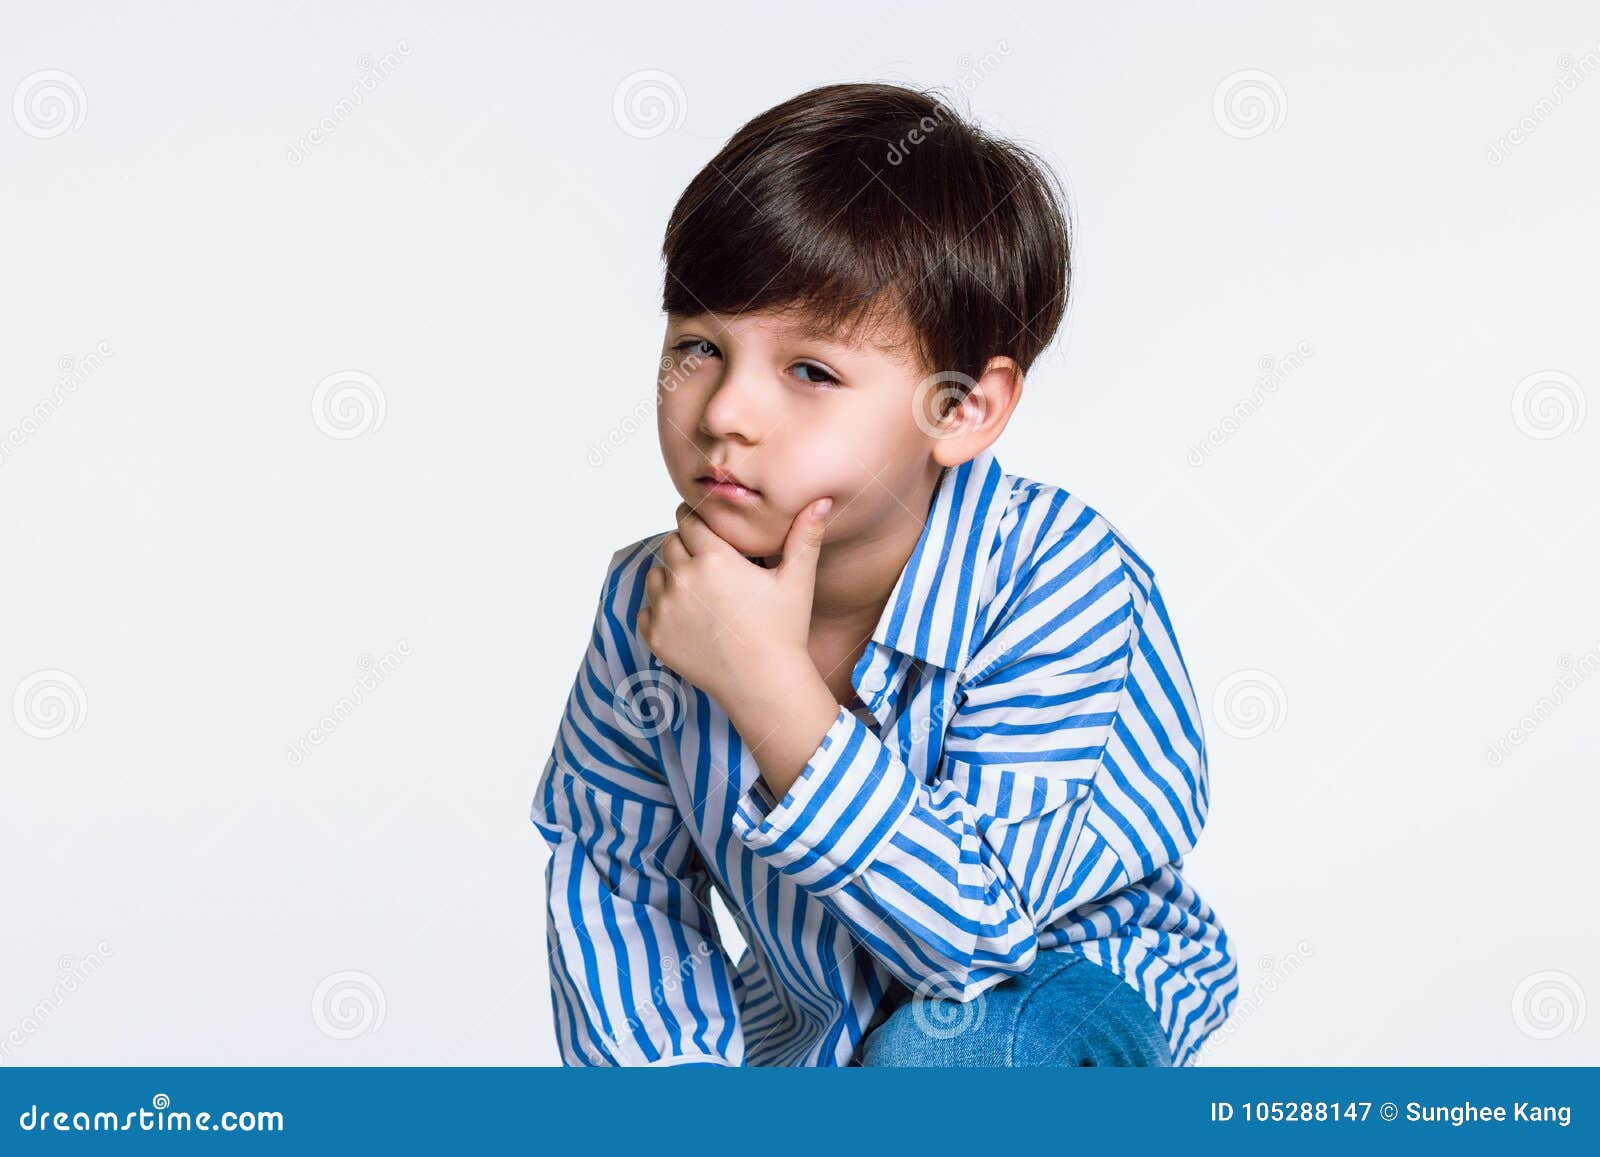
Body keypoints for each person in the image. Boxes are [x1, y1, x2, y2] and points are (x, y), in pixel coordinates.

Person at [530, 81, 1236, 1067]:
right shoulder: (653, 599)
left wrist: (767, 685)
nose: (725, 410)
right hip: (828, 1037)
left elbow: (975, 939)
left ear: (962, 409)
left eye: (810, 371)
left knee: (940, 1057)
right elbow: (615, 877)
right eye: (698, 346)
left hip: (1051, 1000)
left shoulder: (1055, 573)